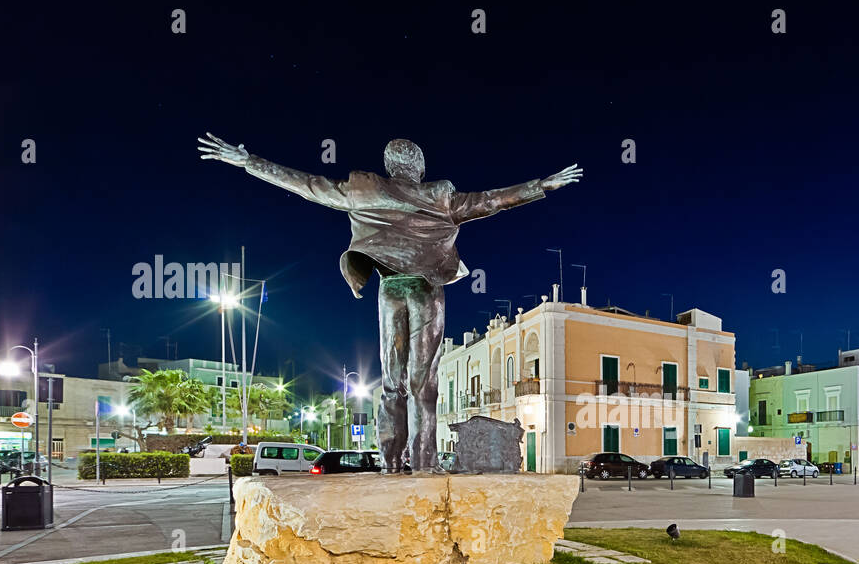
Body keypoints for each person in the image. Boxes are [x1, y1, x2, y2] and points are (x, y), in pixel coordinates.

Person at [198, 133, 581, 472]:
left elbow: (305, 185)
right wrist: (542, 185)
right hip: (426, 289)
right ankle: (424, 465)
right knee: (422, 382)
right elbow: (493, 200)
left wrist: (248, 161)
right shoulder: (441, 195)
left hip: (391, 288)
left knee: (392, 382)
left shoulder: (363, 188)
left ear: (389, 165)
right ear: (419, 167)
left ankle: (391, 463)